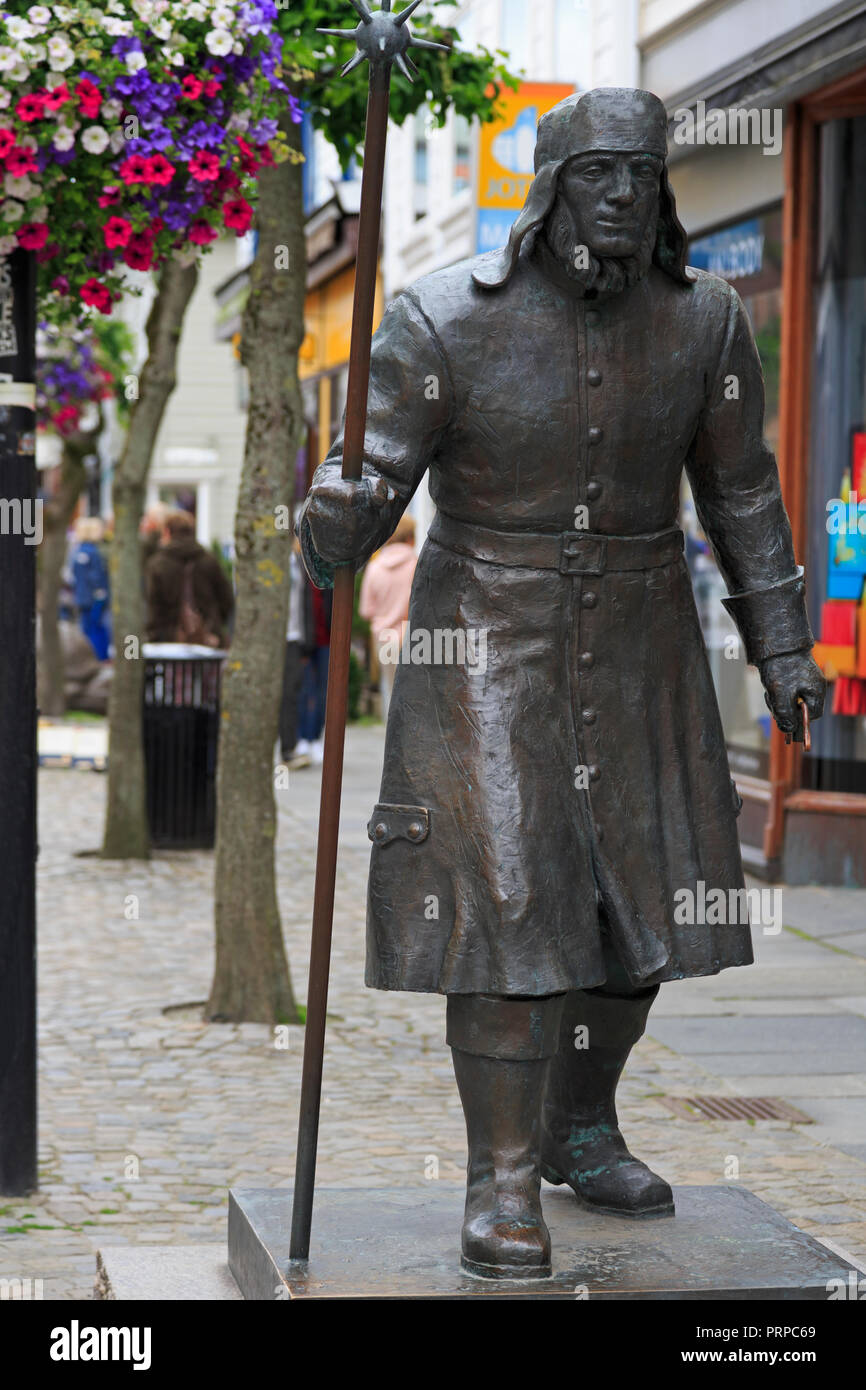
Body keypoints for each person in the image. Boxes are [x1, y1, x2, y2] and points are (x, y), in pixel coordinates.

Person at [298, 89, 825, 1280]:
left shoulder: (705, 326)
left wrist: (782, 645)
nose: (624, 198)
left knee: (641, 917)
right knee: (509, 915)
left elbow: (739, 491)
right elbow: (368, 486)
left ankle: (578, 1127)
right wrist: (328, 523)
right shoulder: (440, 318)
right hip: (487, 636)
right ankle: (496, 1178)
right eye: (599, 176)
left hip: (642, 637)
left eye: (641, 178)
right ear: (548, 189)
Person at [144, 510, 233, 648]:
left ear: (167, 532)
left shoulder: (157, 564)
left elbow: (153, 606)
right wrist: (215, 621)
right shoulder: (209, 560)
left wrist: (154, 636)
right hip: (209, 639)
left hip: (169, 640)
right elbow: (226, 599)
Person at [359, 513, 417, 721]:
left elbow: (366, 610)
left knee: (389, 687)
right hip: (412, 637)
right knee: (413, 691)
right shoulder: (416, 565)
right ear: (411, 537)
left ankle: (389, 737)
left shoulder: (375, 567)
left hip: (383, 638)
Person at [279, 540, 311, 770]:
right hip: (270, 638)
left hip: (292, 636)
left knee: (290, 694)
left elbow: (305, 602)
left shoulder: (297, 563)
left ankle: (287, 749)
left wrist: (306, 639)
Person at [71, 515, 111, 661]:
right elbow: (96, 577)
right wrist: (101, 594)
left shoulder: (78, 551)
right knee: (97, 629)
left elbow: (74, 575)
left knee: (86, 629)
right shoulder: (94, 552)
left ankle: (88, 658)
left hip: (82, 596)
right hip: (94, 598)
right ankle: (98, 657)